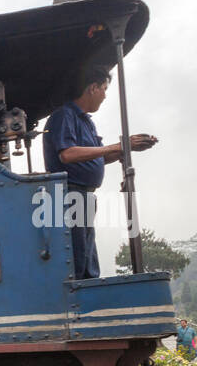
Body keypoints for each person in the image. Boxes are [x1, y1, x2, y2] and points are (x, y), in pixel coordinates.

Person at [43, 66, 158, 280]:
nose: (105, 95)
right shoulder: (64, 116)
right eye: (104, 89)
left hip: (83, 195)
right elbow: (67, 154)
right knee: (76, 257)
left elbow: (99, 156)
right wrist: (117, 146)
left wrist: (126, 148)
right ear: (93, 88)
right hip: (68, 195)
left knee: (86, 255)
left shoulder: (87, 122)